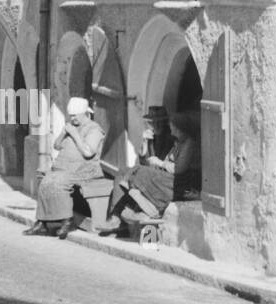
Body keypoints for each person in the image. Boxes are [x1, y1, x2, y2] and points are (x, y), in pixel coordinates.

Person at [98, 113, 199, 234]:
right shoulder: (176, 141)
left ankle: (126, 217)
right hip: (165, 177)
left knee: (137, 173)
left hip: (177, 183)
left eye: (172, 126)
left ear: (180, 128)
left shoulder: (189, 144)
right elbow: (147, 161)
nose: (170, 128)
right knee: (122, 172)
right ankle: (115, 217)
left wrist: (160, 163)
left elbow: (179, 169)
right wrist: (145, 142)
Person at [24, 96, 106, 238]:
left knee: (59, 182)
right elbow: (57, 145)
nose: (72, 118)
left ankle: (66, 221)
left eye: (75, 115)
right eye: (71, 115)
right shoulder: (72, 126)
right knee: (45, 181)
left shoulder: (94, 129)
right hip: (65, 167)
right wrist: (63, 133)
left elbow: (88, 152)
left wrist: (74, 134)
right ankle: (42, 222)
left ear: (85, 113)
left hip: (86, 169)